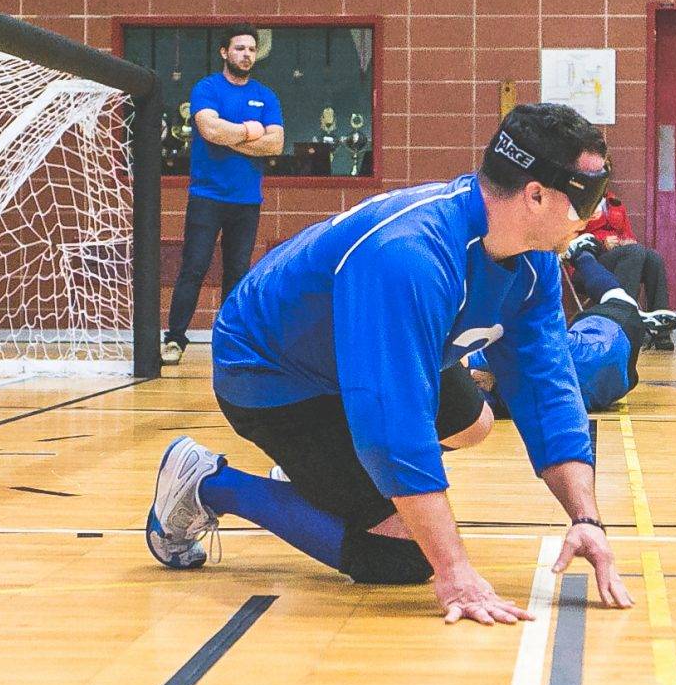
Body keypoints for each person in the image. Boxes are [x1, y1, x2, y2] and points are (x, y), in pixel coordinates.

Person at [146, 103, 634, 626]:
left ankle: (326, 473)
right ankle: (208, 483)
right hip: (271, 370)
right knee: (403, 555)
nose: (593, 215)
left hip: (358, 346)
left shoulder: (531, 255)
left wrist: (587, 518)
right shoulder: (410, 258)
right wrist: (456, 572)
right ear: (535, 195)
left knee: (475, 423)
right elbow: (392, 431)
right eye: (587, 200)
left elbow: (547, 387)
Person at [161, 23, 285, 365]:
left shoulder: (266, 94)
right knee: (194, 267)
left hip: (246, 201)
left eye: (250, 49)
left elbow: (275, 143)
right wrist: (249, 131)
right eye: (239, 48)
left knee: (237, 273)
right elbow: (209, 129)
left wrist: (232, 137)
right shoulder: (207, 88)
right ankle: (174, 339)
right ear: (224, 52)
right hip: (207, 197)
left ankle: (229, 343)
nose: (246, 54)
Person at [466, 245, 676, 413]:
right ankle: (582, 254)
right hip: (607, 342)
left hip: (613, 386)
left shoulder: (491, 395)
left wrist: (490, 383)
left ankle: (584, 255)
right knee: (618, 298)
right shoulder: (517, 341)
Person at [573, 189, 671, 349]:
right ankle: (624, 321)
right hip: (588, 265)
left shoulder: (616, 204)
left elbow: (628, 235)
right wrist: (601, 243)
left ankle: (661, 333)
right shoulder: (577, 201)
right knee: (634, 253)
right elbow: (571, 239)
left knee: (653, 258)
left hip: (621, 259)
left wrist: (627, 241)